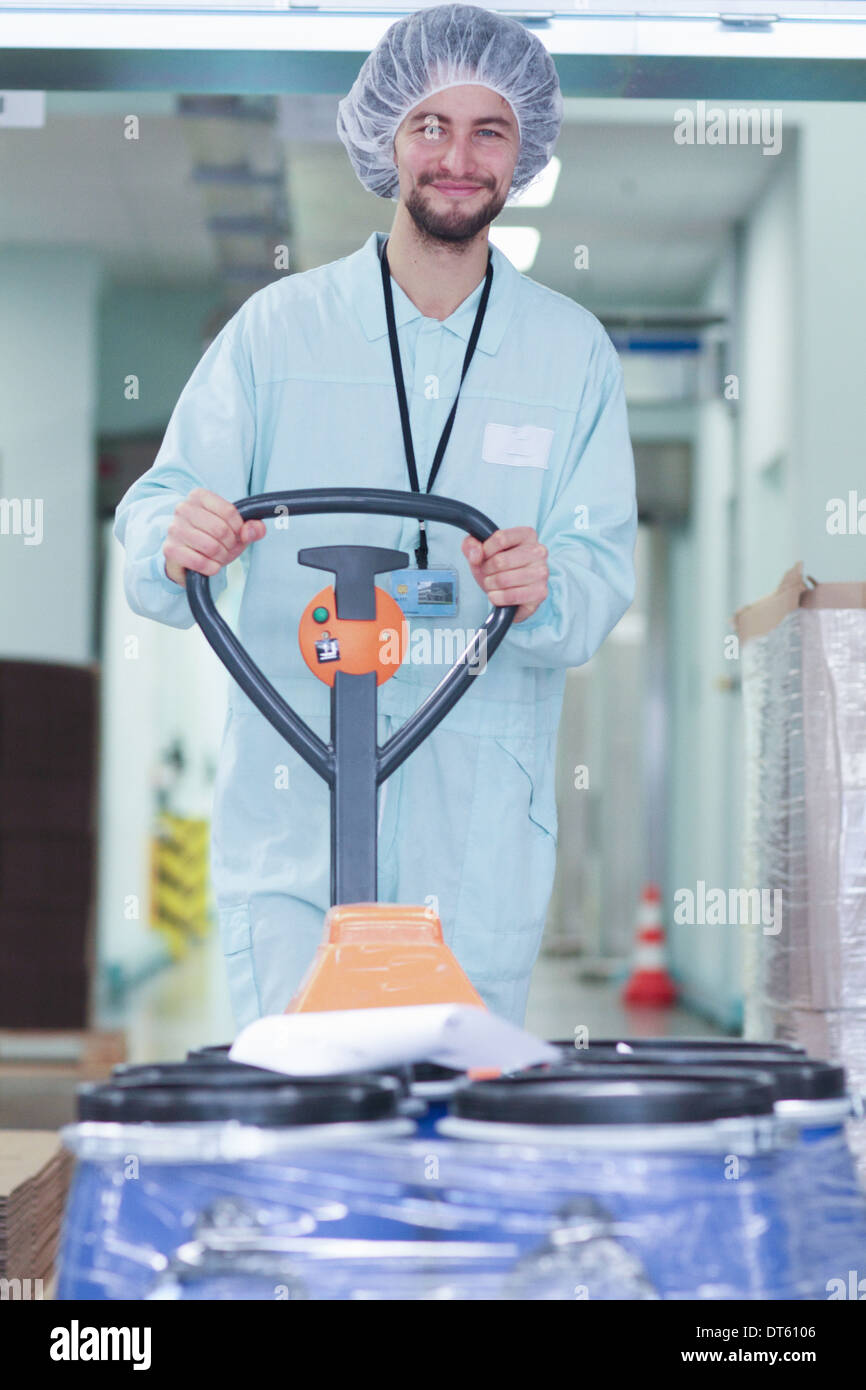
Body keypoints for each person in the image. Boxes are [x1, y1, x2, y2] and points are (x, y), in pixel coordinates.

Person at [115, 3, 637, 1028]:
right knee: (299, 1104)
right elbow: (159, 512)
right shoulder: (277, 330)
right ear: (385, 138)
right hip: (293, 790)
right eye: (428, 126)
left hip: (474, 817)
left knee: (451, 1111)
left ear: (520, 150)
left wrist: (551, 582)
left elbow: (594, 572)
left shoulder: (569, 353)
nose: (456, 156)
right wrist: (176, 539)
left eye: (487, 129)